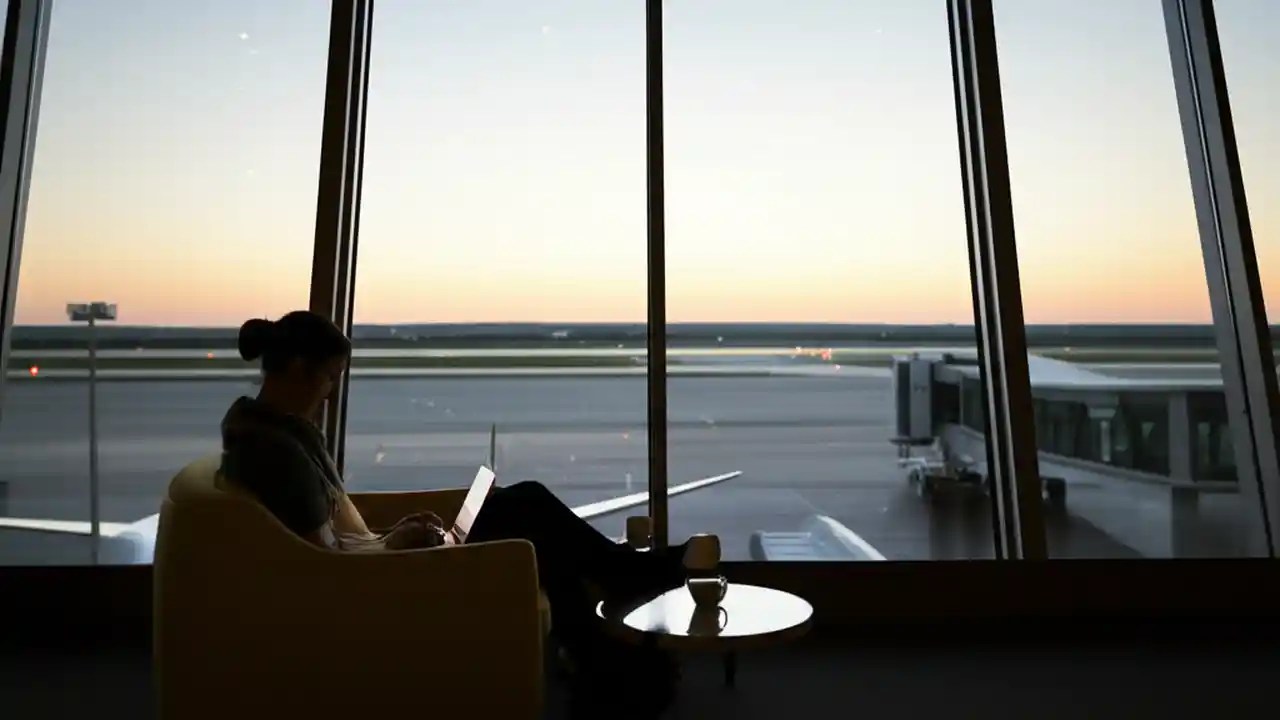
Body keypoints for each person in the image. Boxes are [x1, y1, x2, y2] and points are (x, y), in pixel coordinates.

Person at [219, 310, 684, 718]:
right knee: (531, 516)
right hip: (382, 581)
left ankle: (601, 650)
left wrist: (389, 533)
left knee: (526, 505)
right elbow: (327, 564)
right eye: (328, 380)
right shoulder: (276, 455)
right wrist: (393, 546)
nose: (329, 396)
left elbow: (333, 538)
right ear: (300, 369)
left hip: (382, 560)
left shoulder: (278, 435)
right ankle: (620, 603)